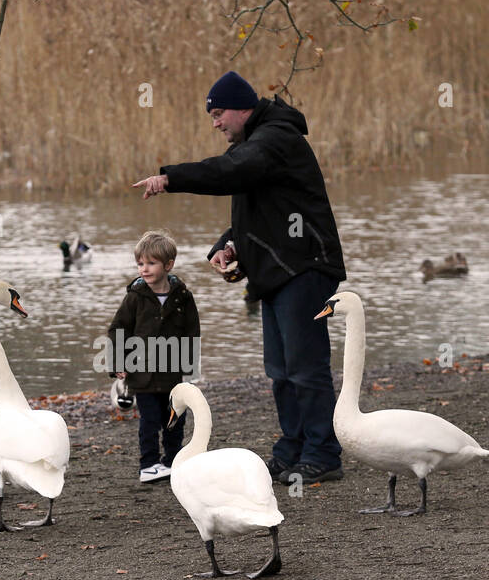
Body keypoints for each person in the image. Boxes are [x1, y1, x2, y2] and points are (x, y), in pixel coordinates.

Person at [133, 71, 347, 484]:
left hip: (305, 268)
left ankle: (323, 453)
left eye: (218, 113)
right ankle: (293, 451)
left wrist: (170, 178)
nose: (214, 122)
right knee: (281, 370)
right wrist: (228, 245)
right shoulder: (256, 145)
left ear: (242, 107)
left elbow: (229, 172)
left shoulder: (274, 138)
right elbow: (260, 211)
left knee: (306, 368)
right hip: (280, 271)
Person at [107, 231, 201, 483]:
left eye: (150, 263)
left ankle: (172, 461)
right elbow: (118, 330)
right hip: (142, 374)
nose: (144, 269)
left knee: (175, 419)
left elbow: (192, 330)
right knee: (149, 421)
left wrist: (189, 365)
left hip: (172, 374)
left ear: (168, 265)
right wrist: (118, 363)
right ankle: (148, 464)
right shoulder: (135, 298)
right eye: (140, 264)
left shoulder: (182, 296)